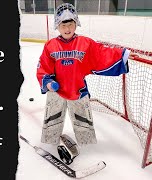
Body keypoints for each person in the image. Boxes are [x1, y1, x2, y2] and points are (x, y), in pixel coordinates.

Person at [36, 3, 136, 146]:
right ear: (57, 26)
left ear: (76, 24)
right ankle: (49, 145)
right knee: (52, 120)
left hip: (79, 91)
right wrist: (47, 82)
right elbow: (43, 66)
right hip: (56, 92)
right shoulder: (50, 46)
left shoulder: (85, 43)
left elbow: (102, 53)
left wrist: (122, 55)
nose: (67, 28)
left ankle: (88, 148)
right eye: (63, 25)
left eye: (70, 24)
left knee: (83, 123)